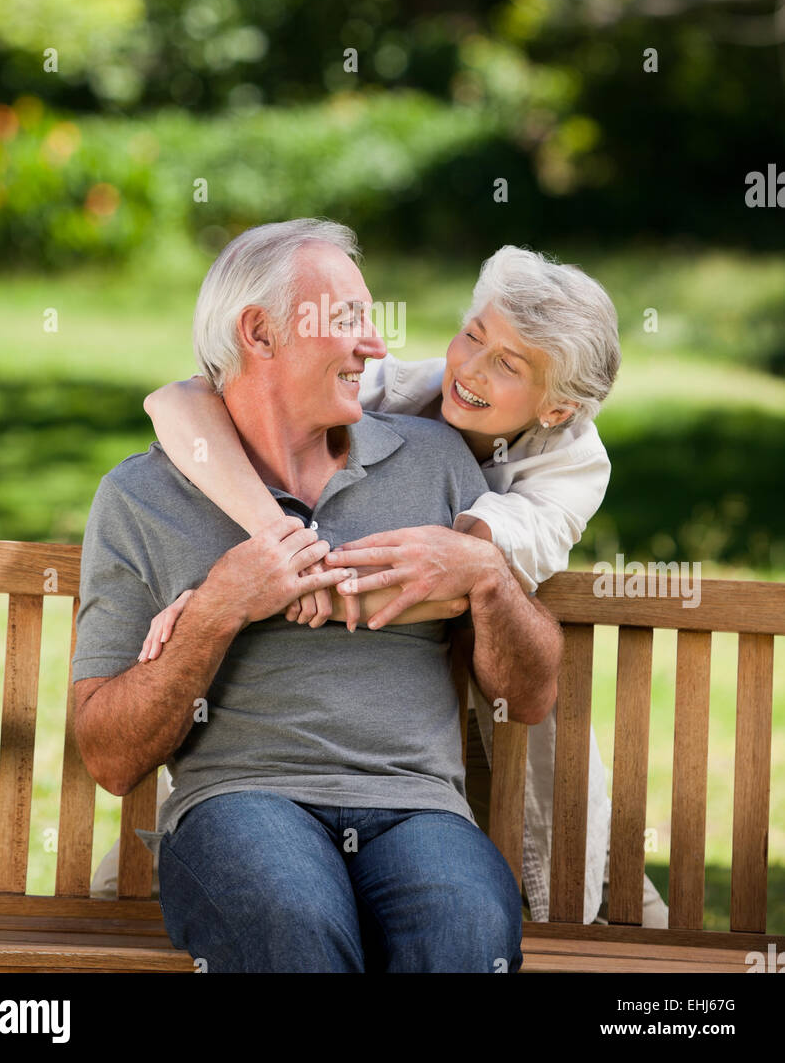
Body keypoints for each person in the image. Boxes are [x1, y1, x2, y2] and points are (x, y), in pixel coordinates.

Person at [134, 241, 669, 929]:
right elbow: (178, 403)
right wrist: (271, 543)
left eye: (508, 365)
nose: (471, 369)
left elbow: (445, 581)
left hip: (478, 715)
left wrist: (235, 597)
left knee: (597, 908)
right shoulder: (402, 389)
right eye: (473, 335)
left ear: (558, 408)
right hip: (362, 717)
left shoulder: (569, 467)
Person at [74, 219, 562, 972]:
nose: (376, 346)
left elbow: (527, 696)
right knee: (294, 924)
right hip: (240, 803)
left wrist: (490, 579)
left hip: (417, 810)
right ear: (260, 333)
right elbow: (109, 756)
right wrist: (221, 605)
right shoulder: (141, 498)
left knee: (465, 933)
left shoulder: (433, 460)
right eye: (348, 320)